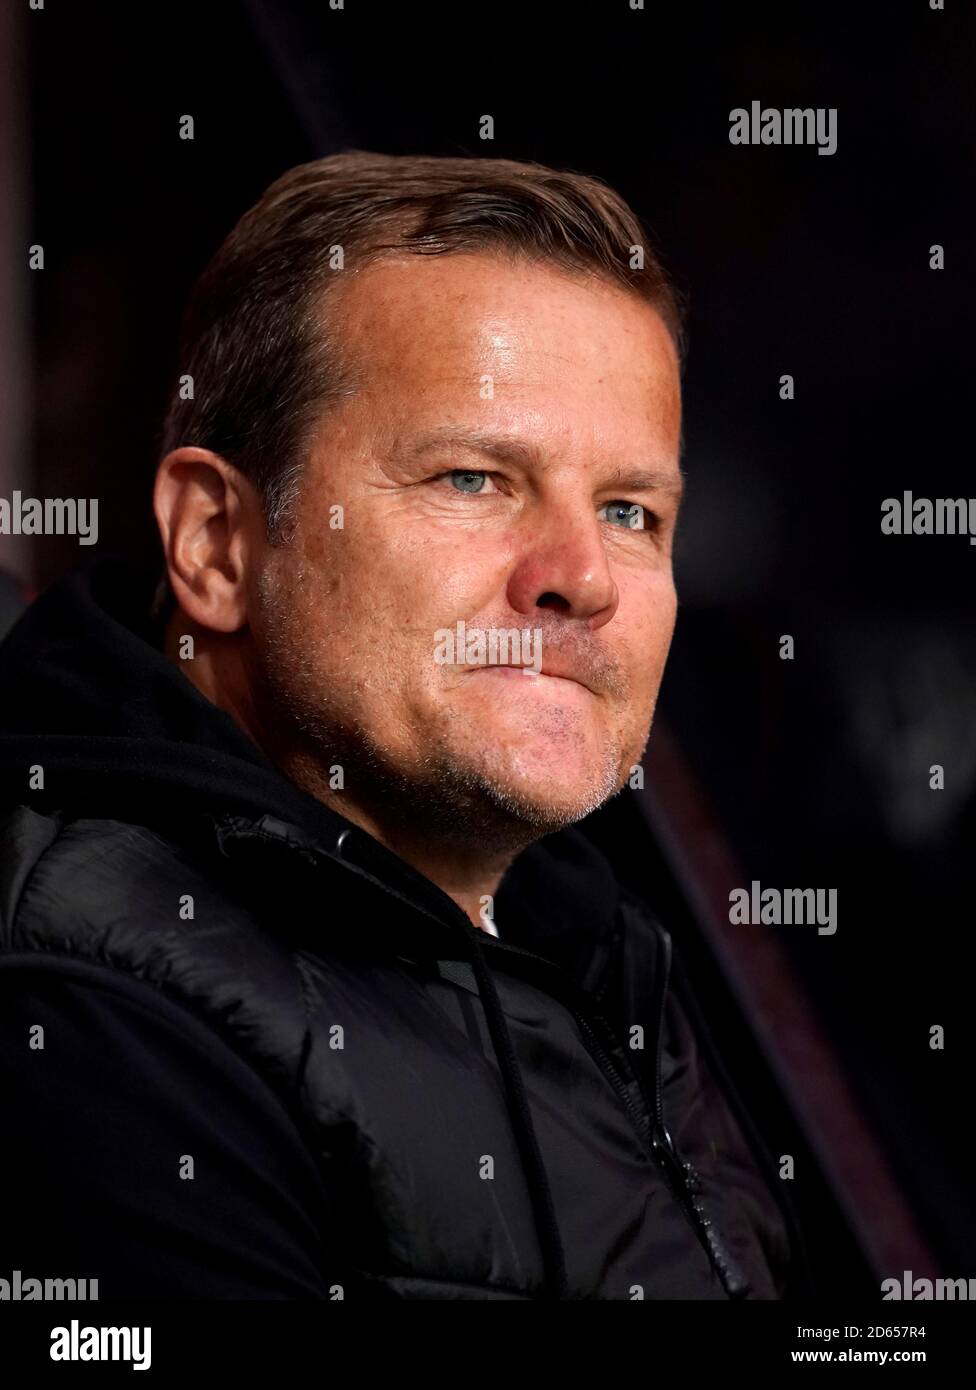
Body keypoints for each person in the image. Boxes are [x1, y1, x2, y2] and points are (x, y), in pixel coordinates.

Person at [0, 152, 798, 1300]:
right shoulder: (91, 1006)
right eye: (473, 479)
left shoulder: (582, 938)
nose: (583, 575)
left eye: (631, 510)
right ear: (218, 543)